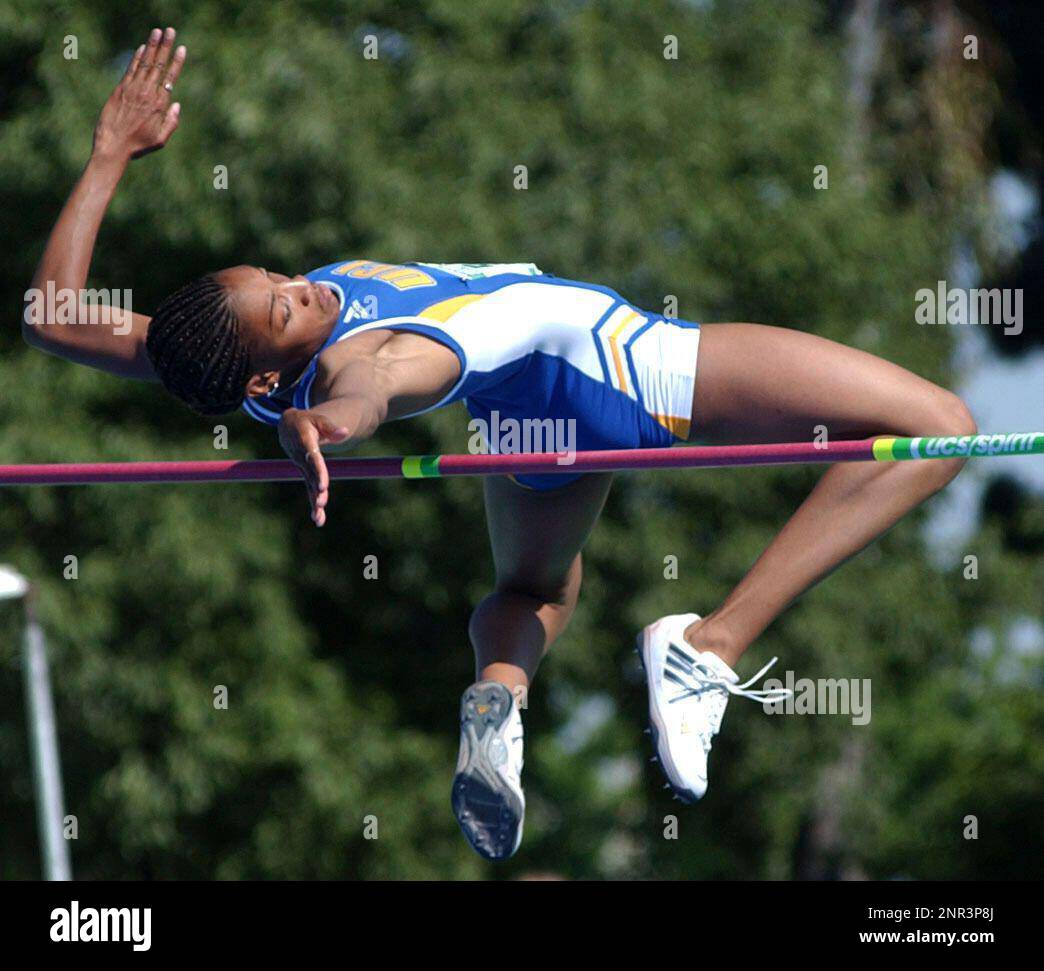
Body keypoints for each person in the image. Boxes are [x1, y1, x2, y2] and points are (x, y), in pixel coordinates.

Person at [24, 28, 977, 861]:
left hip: (526, 419)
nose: (300, 286)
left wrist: (109, 153)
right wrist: (335, 425)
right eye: (284, 303)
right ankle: (708, 645)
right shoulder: (355, 354)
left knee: (531, 592)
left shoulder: (212, 355)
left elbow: (53, 318)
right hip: (620, 363)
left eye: (276, 275)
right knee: (942, 427)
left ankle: (498, 699)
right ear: (271, 380)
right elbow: (378, 385)